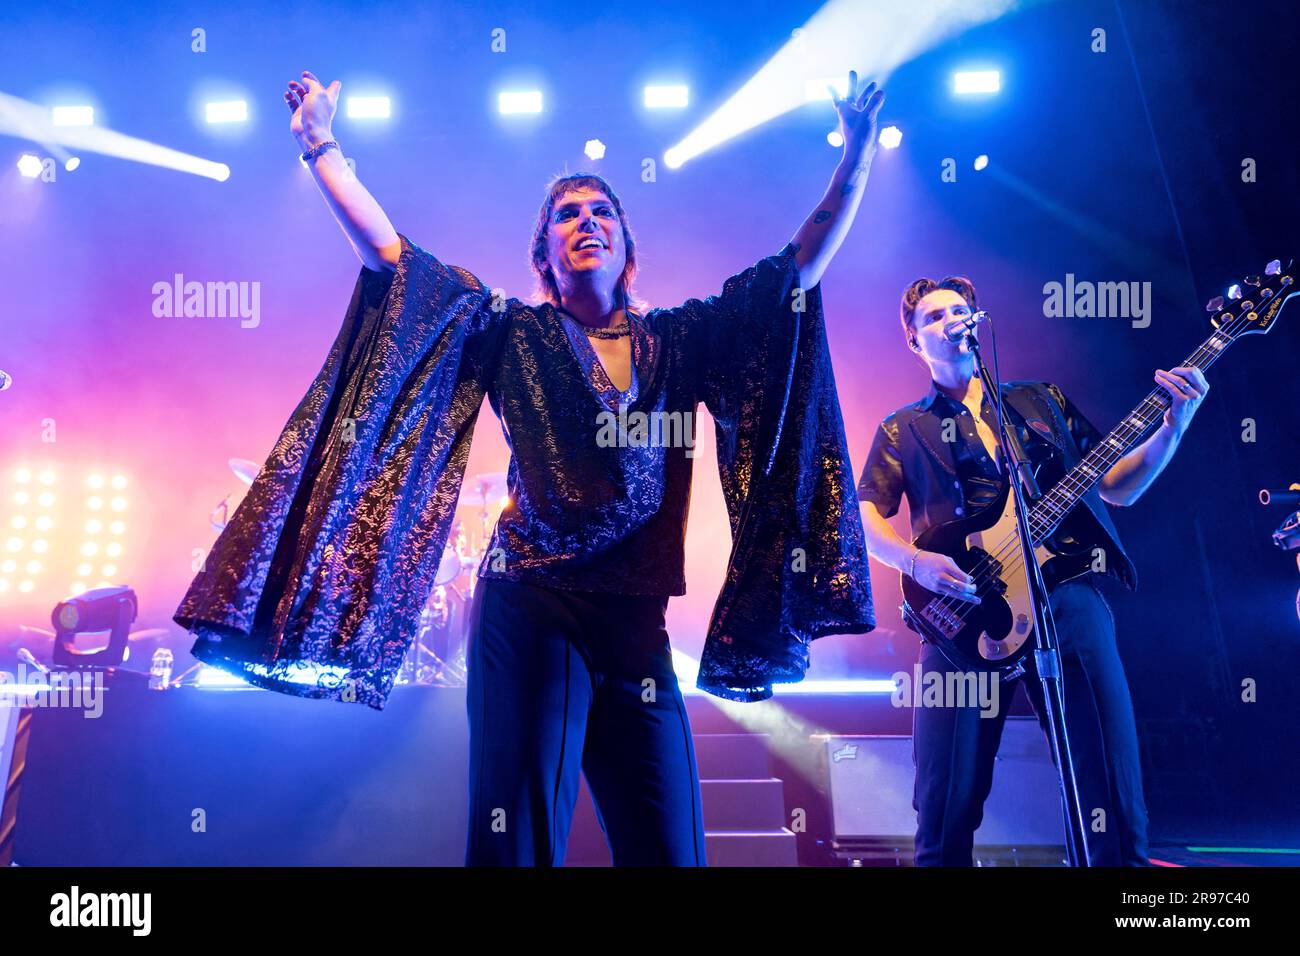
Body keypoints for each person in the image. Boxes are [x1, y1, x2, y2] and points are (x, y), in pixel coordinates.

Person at [175, 69, 881, 867]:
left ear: (627, 245)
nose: (587, 221)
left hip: (636, 621)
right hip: (531, 601)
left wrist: (855, 154)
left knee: (671, 850)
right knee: (519, 836)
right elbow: (393, 260)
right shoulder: (513, 330)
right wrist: (320, 147)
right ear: (544, 252)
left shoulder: (685, 340)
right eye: (566, 215)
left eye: (602, 210)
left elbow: (794, 274)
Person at [857, 276, 1208, 866]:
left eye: (962, 310)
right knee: (944, 802)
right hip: (962, 613)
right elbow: (862, 515)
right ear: (914, 342)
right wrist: (914, 559)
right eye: (936, 316)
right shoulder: (901, 429)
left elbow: (1115, 488)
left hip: (1066, 599)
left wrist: (1174, 427)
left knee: (1107, 783)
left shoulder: (1039, 402)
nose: (953, 320)